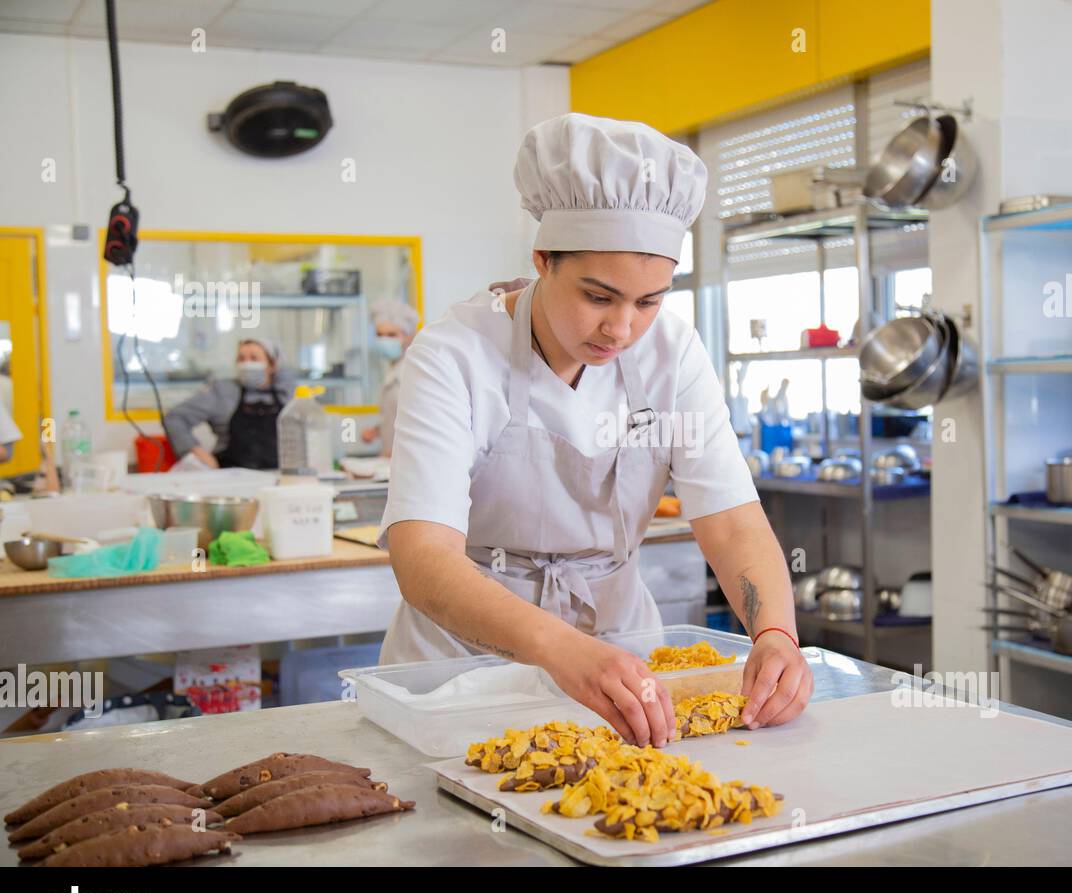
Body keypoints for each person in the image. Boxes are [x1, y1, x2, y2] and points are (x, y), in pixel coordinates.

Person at [379, 113, 812, 748]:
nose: (622, 329)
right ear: (542, 260)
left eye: (648, 301)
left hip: (622, 660)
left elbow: (732, 520)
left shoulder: (672, 352)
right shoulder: (457, 354)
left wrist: (775, 633)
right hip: (459, 672)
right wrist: (560, 649)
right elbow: (421, 559)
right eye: (598, 296)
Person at [163, 338, 295, 469]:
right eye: (241, 359)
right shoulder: (222, 391)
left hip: (276, 476)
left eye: (254, 358)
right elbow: (174, 418)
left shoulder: (285, 393)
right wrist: (197, 452)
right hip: (230, 476)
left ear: (272, 365)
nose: (246, 364)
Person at [361, 299, 420, 457]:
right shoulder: (391, 371)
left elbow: (418, 422)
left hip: (407, 460)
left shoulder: (414, 372)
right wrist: (377, 430)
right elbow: (397, 416)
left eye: (391, 334)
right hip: (391, 461)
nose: (384, 340)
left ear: (408, 336)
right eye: (379, 335)